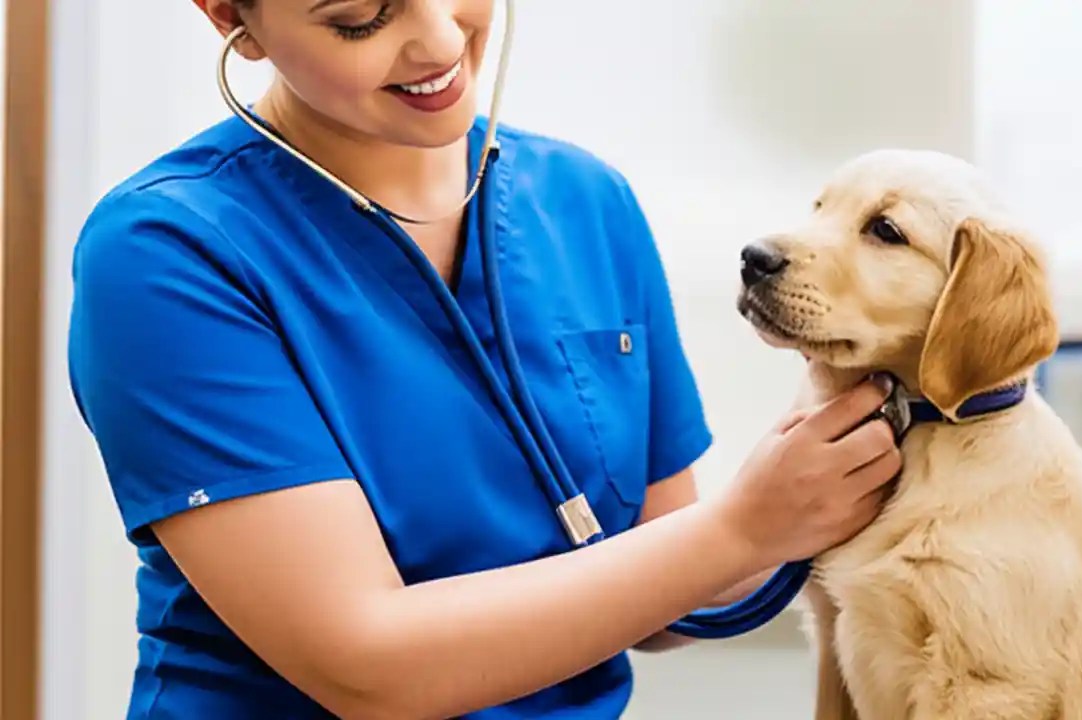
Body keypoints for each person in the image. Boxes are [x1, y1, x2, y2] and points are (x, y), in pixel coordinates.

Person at [66, 1, 902, 718]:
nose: (437, 41)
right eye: (361, 19)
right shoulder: (168, 253)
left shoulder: (587, 201)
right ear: (228, 16)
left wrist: (856, 487)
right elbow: (366, 667)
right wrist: (743, 527)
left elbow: (664, 601)